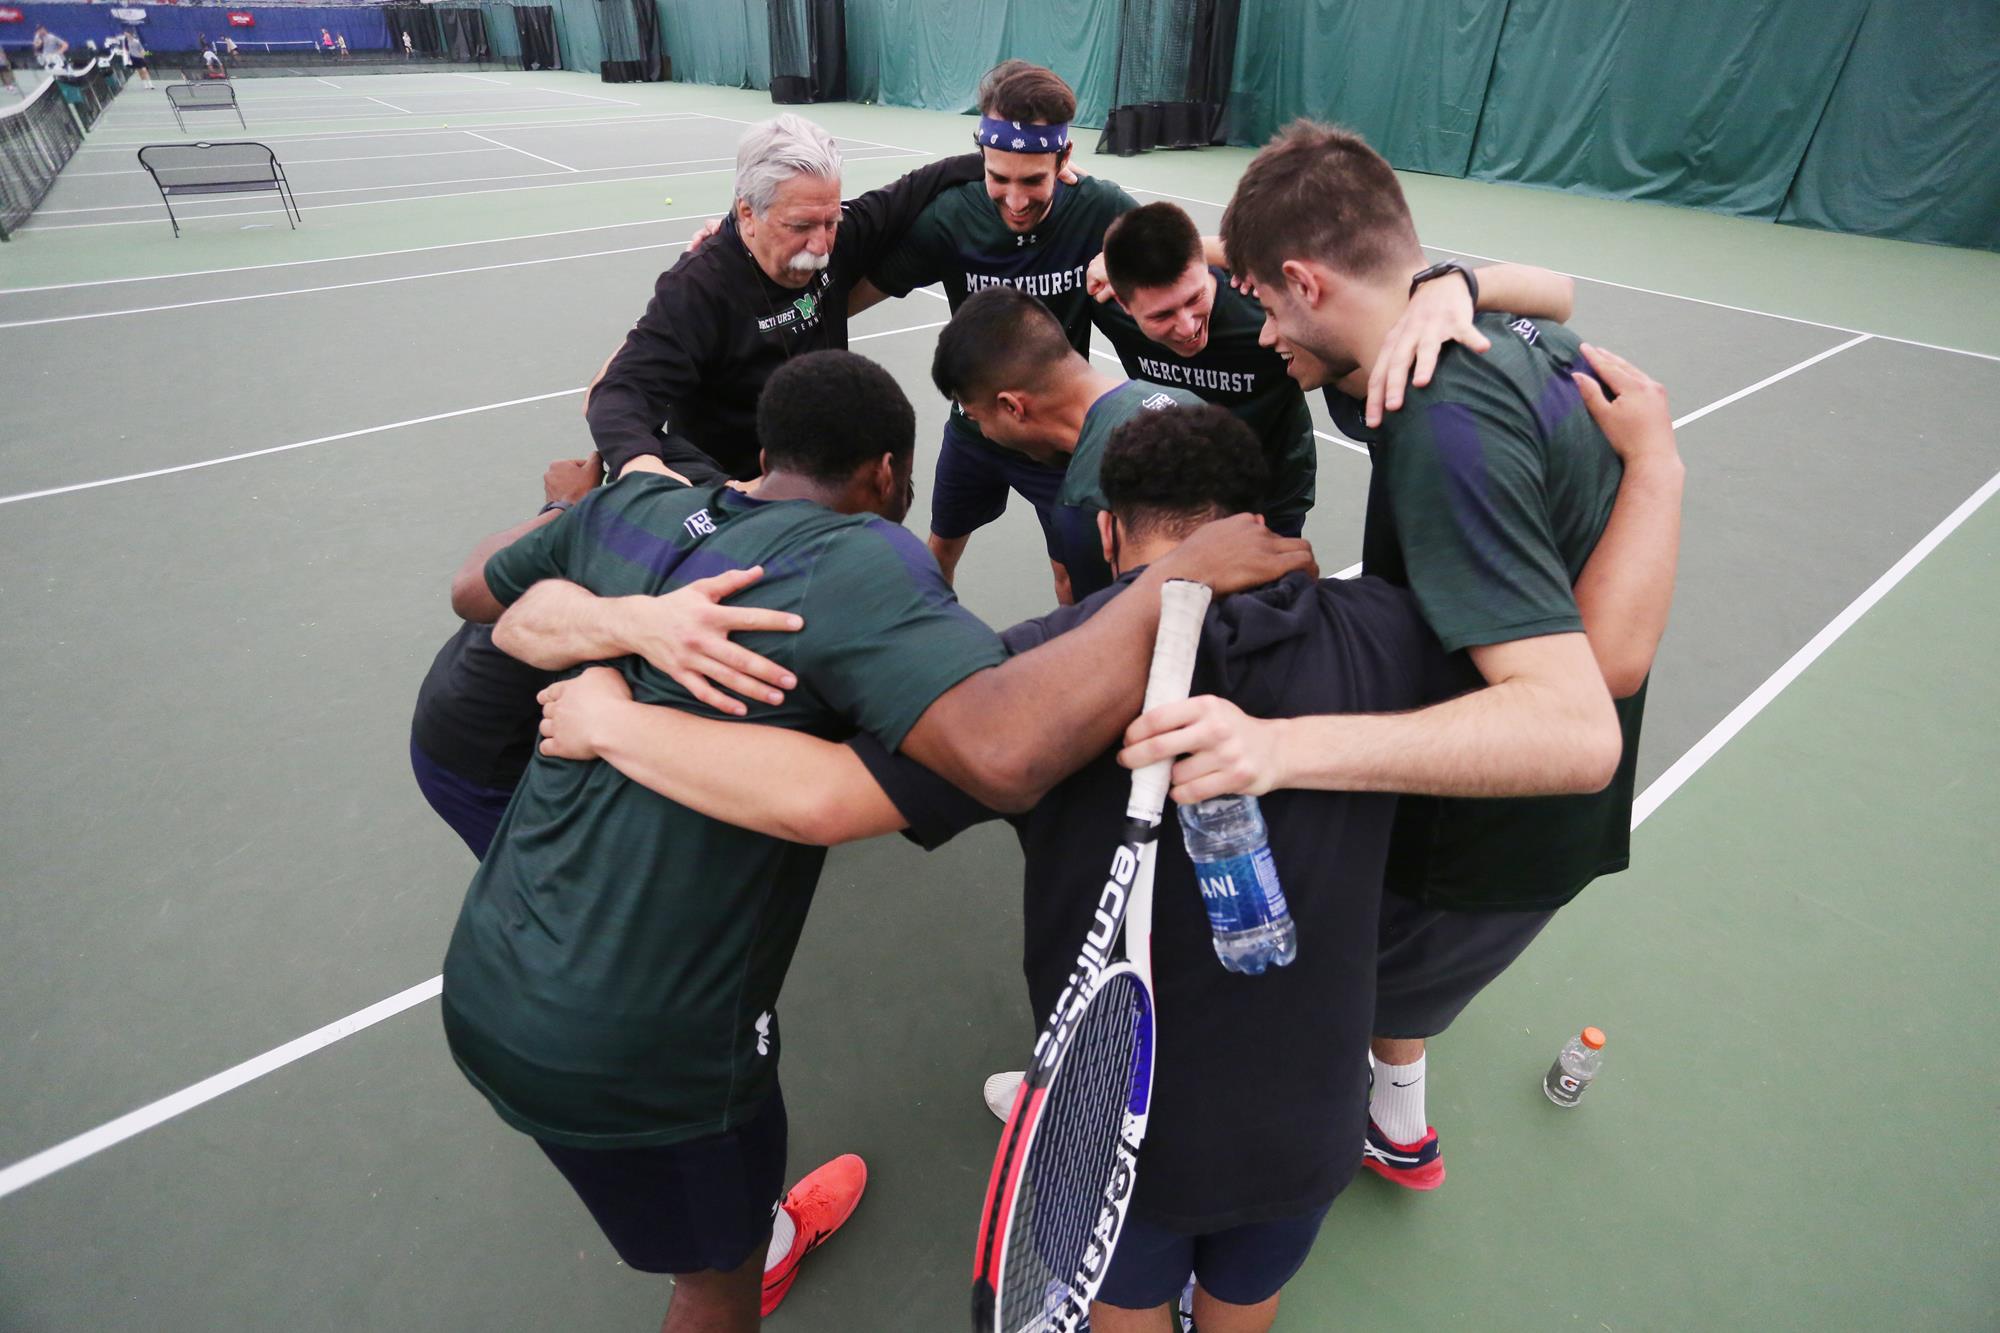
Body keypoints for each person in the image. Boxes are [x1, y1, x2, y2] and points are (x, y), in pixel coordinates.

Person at [530, 379, 1680, 1333]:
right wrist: (1654, 466)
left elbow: (823, 800)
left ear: (1113, 531)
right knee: (1241, 1311)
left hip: (1122, 1138)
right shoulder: (1387, 630)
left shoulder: (1026, 682)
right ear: (1260, 521)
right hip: (1312, 1119)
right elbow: (1602, 664)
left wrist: (612, 722)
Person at [441, 351, 1309, 1332]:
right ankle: (739, 1255)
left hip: (487, 968)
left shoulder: (626, 512)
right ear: (888, 473)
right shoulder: (860, 555)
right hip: (648, 1044)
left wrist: (618, 625)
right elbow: (1001, 749)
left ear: (763, 451)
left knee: (709, 1215)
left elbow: (475, 585)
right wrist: (1177, 582)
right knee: (711, 1287)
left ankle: (747, 1228)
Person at [1119, 120, 1685, 1191]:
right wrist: (1458, 283)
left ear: (1303, 279)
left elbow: (1573, 728)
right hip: (1516, 844)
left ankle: (1262, 1188)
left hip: (1474, 847)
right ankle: (1397, 1119)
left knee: (1296, 1012)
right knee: (1395, 1001)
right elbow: (1553, 285)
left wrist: (1277, 749)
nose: (1256, 332)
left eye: (1260, 298)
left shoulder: (1437, 423)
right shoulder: (1489, 336)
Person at [1089, 201, 1580, 540]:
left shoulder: (1388, 348)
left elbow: (1559, 290)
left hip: (1273, 492)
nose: (1187, 324)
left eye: (1195, 298)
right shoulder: (1106, 306)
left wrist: (1454, 283)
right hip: (1190, 494)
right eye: (1161, 316)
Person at [865, 62, 1147, 602]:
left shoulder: (1100, 210)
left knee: (1070, 575)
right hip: (974, 429)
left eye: (1033, 181)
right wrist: (745, 250)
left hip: (1058, 442)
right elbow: (851, 287)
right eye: (999, 178)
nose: (1016, 201)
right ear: (982, 160)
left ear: (1065, 160)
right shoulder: (952, 217)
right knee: (940, 548)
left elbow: (1179, 265)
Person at [585, 113, 983, 483]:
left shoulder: (837, 236)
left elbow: (921, 184)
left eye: (830, 221)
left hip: (820, 479)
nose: (821, 243)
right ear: (747, 214)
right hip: (733, 498)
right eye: (801, 225)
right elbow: (619, 393)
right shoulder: (698, 287)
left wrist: (1021, 164)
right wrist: (642, 466)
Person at [928, 285, 1199, 600]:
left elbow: (1109, 635)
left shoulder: (1086, 505)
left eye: (977, 418)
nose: (985, 434)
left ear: (1012, 407)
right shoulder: (1192, 408)